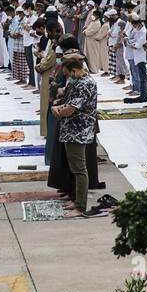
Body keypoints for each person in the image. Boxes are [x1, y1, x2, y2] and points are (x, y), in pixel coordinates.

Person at [51, 54, 103, 218]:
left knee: (79, 169)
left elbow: (71, 109)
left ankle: (80, 205)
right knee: (75, 168)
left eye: (68, 74)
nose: (68, 78)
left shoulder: (84, 84)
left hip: (77, 131)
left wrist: (57, 111)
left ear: (74, 71)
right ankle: (76, 199)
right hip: (73, 130)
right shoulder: (81, 81)